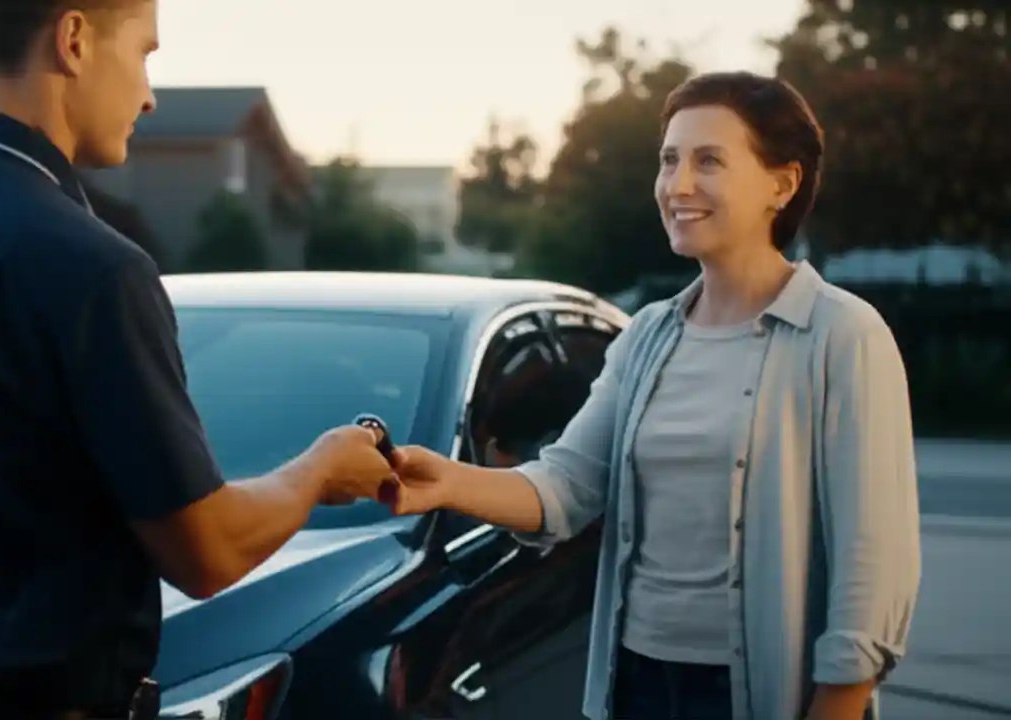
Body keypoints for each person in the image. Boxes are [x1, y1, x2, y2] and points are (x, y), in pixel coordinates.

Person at [0, 1, 396, 718]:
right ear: (73, 40)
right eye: (143, 54)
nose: (149, 93)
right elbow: (208, 552)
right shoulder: (90, 270)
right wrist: (321, 468)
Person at [385, 71, 920, 720]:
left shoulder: (842, 335)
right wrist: (445, 481)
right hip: (638, 682)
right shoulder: (647, 336)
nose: (678, 184)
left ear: (783, 183)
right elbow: (566, 487)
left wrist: (836, 704)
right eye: (669, 161)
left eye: (709, 161)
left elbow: (875, 568)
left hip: (764, 697)